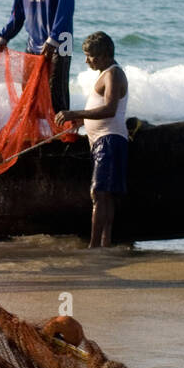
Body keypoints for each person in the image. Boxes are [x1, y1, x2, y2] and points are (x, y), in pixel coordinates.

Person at [55, 32, 128, 248]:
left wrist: (73, 113)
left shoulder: (113, 74)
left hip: (109, 140)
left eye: (91, 56)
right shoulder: (105, 72)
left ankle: (94, 246)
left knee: (99, 193)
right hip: (103, 141)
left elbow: (110, 110)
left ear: (105, 56)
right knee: (105, 195)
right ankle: (104, 244)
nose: (87, 60)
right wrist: (81, 118)